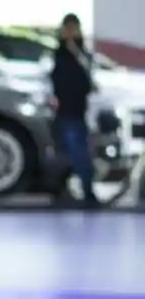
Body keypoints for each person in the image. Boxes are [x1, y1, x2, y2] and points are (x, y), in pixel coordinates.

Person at [50, 13, 99, 207]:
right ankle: (73, 190)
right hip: (65, 110)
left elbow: (87, 79)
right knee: (73, 151)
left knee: (78, 151)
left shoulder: (82, 54)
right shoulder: (59, 55)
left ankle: (84, 190)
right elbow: (57, 80)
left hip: (79, 109)